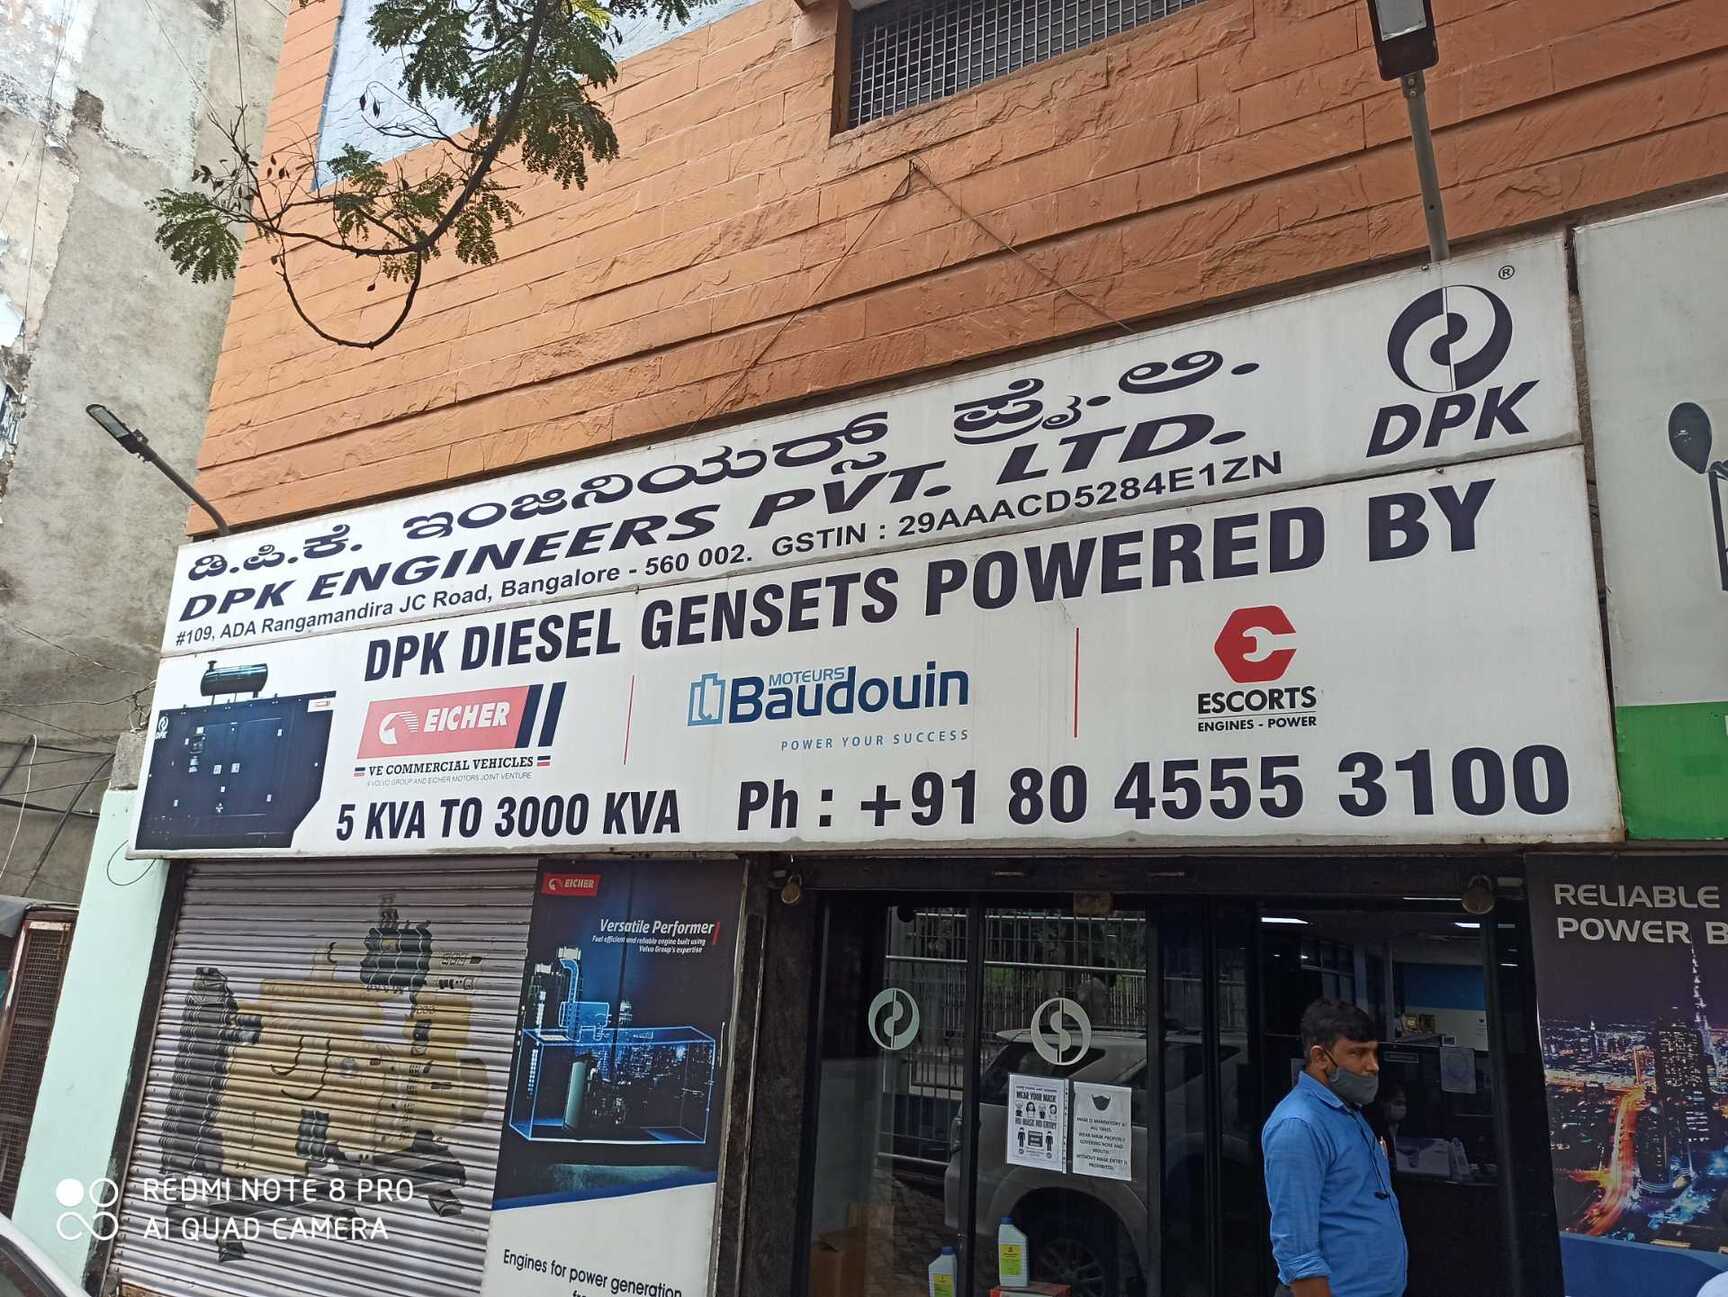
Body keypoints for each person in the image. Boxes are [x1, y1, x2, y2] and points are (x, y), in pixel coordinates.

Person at [1262, 1000, 1408, 1297]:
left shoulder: (1347, 1109)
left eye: (1374, 1052)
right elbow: (1297, 1252)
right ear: (1320, 1057)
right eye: (1358, 1053)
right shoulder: (1299, 1126)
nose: (1373, 1065)